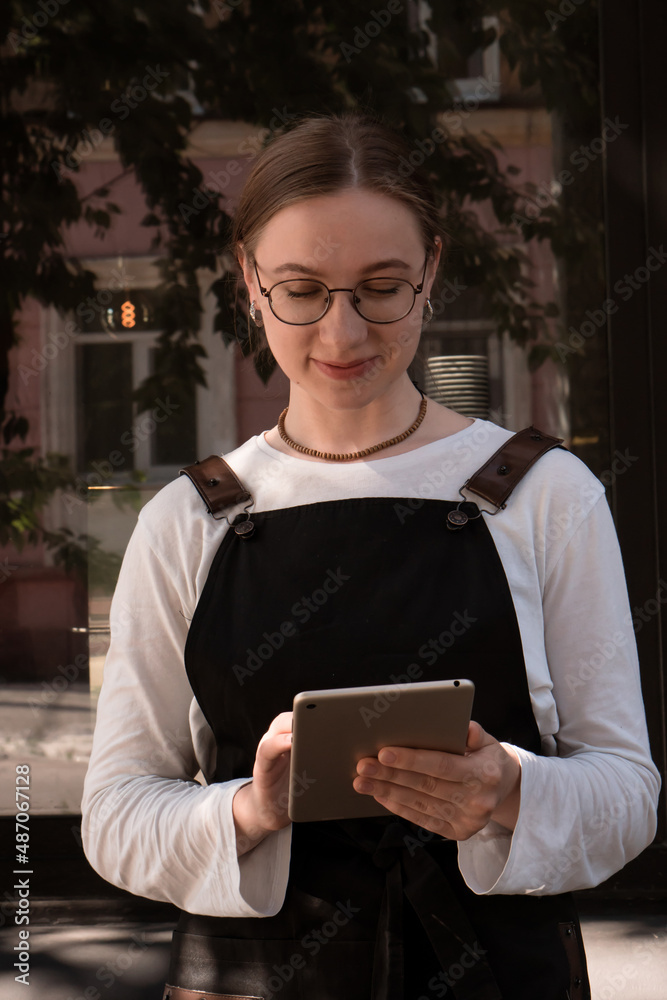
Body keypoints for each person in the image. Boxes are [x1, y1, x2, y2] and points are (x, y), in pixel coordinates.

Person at [81, 112, 660, 1000]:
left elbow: (627, 797)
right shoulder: (186, 521)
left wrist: (506, 791)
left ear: (430, 270)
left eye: (381, 288)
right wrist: (251, 808)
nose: (342, 335)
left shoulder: (545, 494)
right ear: (249, 281)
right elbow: (114, 819)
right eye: (302, 290)